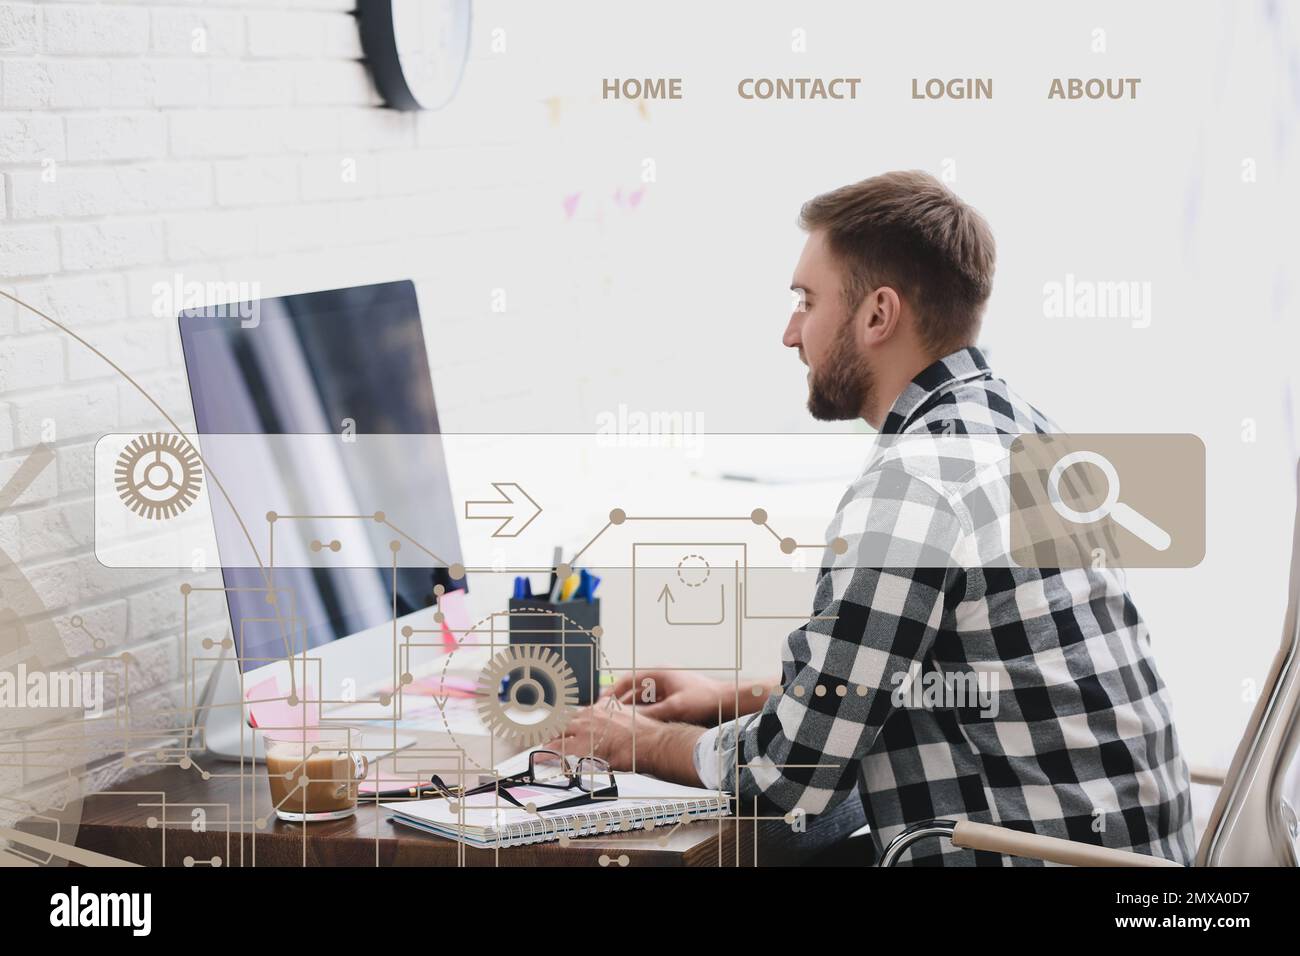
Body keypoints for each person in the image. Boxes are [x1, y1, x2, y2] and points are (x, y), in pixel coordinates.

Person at [545, 170, 1194, 865]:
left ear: (878, 315)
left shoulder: (917, 484)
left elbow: (793, 771)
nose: (790, 332)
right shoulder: (1023, 430)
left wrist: (637, 740)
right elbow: (943, 672)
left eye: (806, 300)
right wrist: (727, 696)